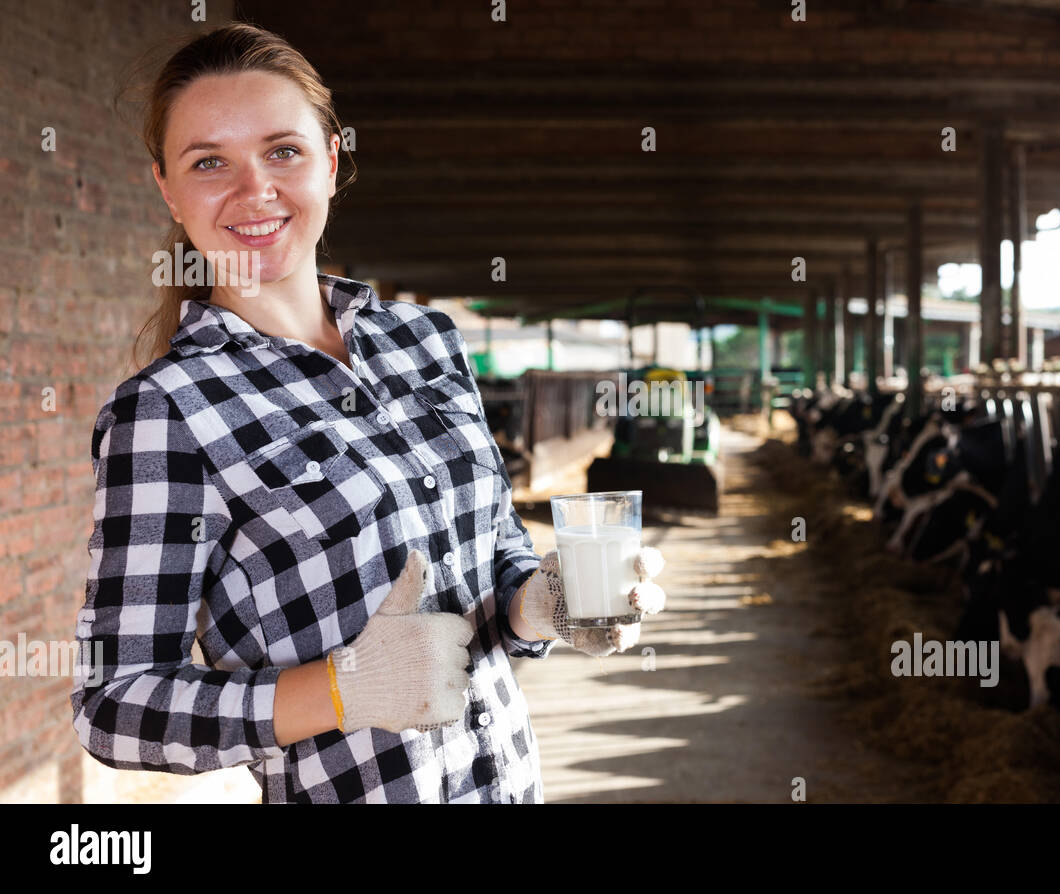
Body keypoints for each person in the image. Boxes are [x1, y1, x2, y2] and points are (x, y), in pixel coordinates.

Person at [69, 22, 666, 804]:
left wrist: (542, 601)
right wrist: (342, 689)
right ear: (168, 190)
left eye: (283, 151)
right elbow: (115, 706)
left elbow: (496, 558)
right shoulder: (167, 413)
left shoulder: (427, 340)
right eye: (210, 162)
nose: (256, 191)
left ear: (331, 159)